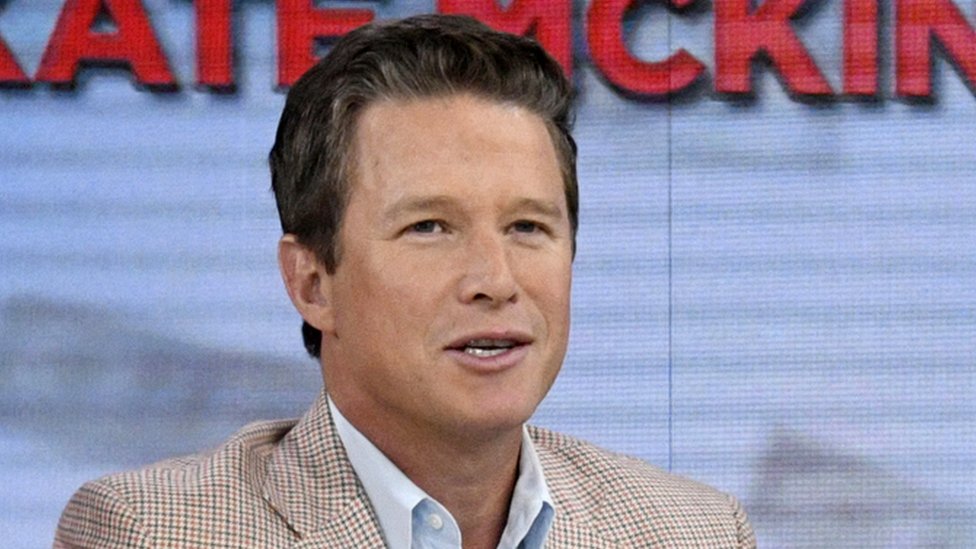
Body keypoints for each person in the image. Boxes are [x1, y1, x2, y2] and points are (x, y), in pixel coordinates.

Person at [54, 14, 755, 548]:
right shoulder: (152, 531)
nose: (495, 281)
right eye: (429, 227)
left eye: (527, 226)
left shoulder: (693, 532)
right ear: (312, 283)